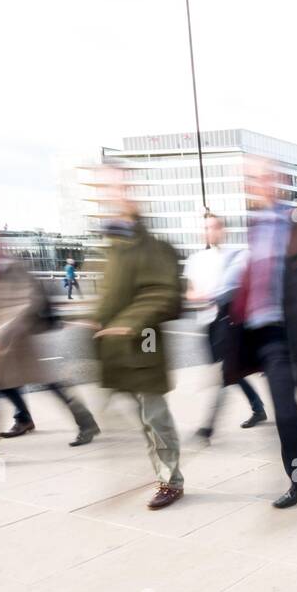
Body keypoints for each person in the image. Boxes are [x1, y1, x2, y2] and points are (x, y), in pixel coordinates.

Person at [220, 155, 297, 509]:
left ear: (273, 180)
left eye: (260, 177)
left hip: (286, 334)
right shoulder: (253, 227)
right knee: (284, 407)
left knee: (286, 410)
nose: (254, 184)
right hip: (254, 333)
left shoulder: (296, 225)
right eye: (249, 178)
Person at [88, 164, 185, 511]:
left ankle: (170, 480)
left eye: (116, 188)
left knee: (154, 415)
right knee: (137, 417)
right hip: (114, 346)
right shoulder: (112, 245)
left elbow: (164, 293)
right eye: (104, 189)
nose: (110, 195)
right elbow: (111, 292)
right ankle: (160, 471)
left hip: (144, 340)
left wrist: (130, 322)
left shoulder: (151, 246)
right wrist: (96, 317)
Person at [0, 230, 100, 462]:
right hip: (3, 342)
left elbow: (28, 304)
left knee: (48, 385)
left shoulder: (12, 267)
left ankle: (86, 422)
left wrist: (0, 334)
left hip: (18, 341)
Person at [187, 214, 268, 443]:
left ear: (223, 230)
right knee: (228, 372)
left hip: (228, 323)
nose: (210, 231)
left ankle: (208, 427)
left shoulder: (237, 255)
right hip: (206, 322)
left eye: (214, 227)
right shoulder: (196, 259)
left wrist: (215, 295)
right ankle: (258, 407)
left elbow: (238, 286)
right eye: (206, 228)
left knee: (223, 374)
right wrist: (198, 295)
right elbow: (190, 291)